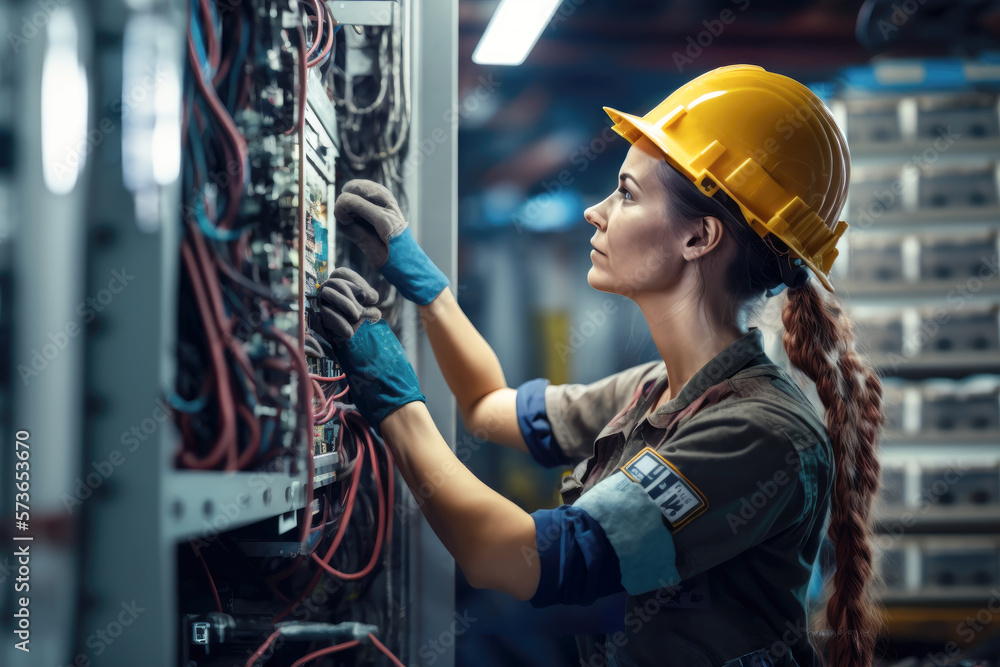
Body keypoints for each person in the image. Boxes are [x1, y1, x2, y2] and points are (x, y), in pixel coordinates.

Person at [317, 64, 886, 667]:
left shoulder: (760, 434)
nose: (595, 210)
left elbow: (510, 557)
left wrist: (392, 399)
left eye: (627, 193)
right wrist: (428, 290)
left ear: (699, 238)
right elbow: (489, 409)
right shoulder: (656, 391)